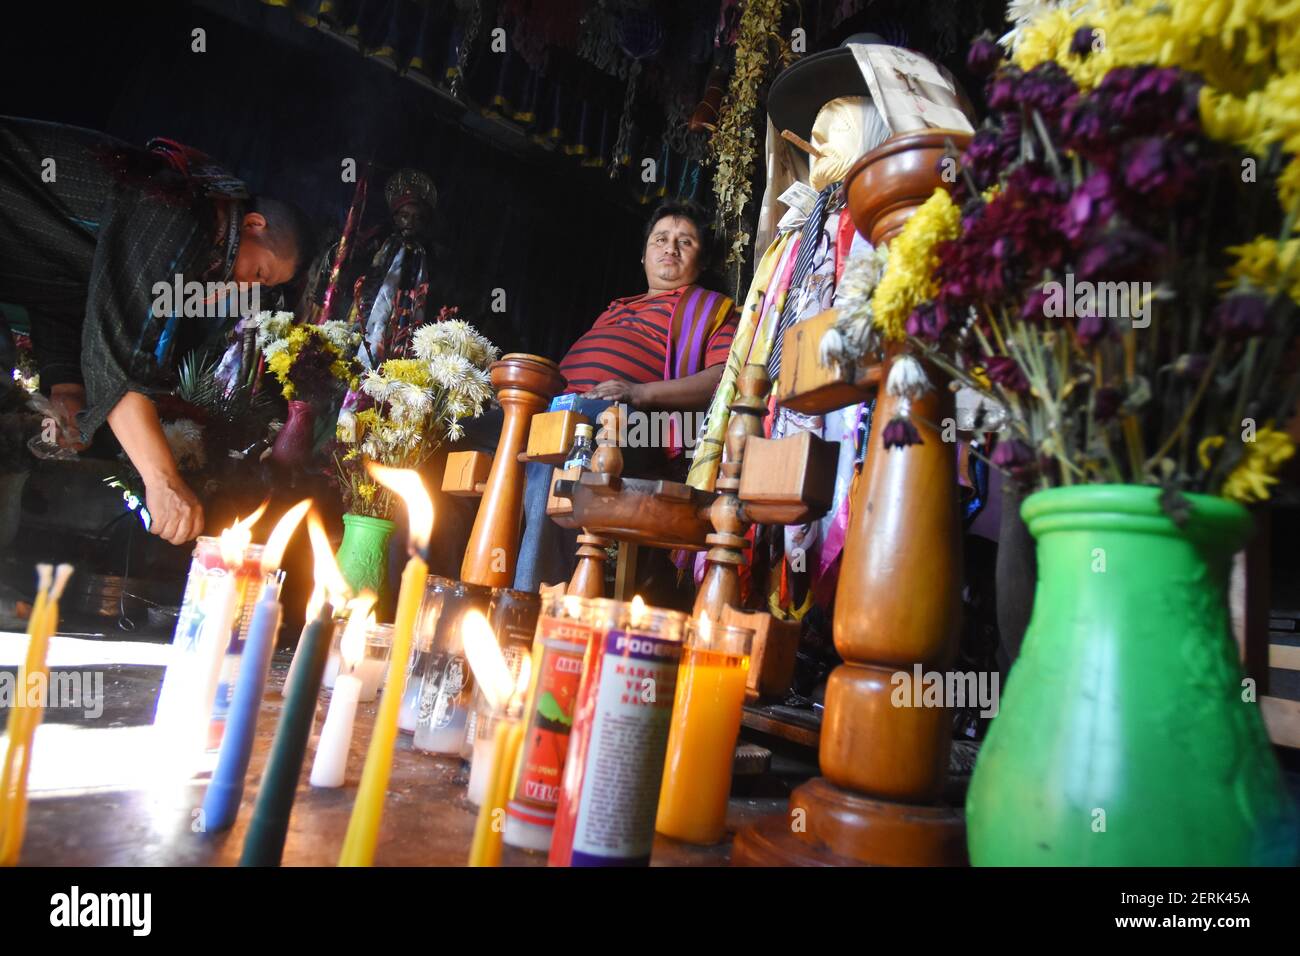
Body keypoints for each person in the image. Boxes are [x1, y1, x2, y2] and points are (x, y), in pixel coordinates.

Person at [0, 116, 315, 545]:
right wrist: (162, 479)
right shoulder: (181, 210)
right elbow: (120, 350)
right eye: (259, 273)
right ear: (254, 224)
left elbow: (66, 291)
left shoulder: (188, 229)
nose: (246, 286)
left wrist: (67, 385)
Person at [510, 199, 738, 591]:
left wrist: (640, 392)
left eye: (685, 242)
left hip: (640, 427)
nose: (670, 248)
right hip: (565, 410)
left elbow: (723, 378)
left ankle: (532, 597)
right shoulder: (615, 309)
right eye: (661, 239)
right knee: (470, 424)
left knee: (565, 434)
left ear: (701, 263)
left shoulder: (712, 308)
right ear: (644, 253)